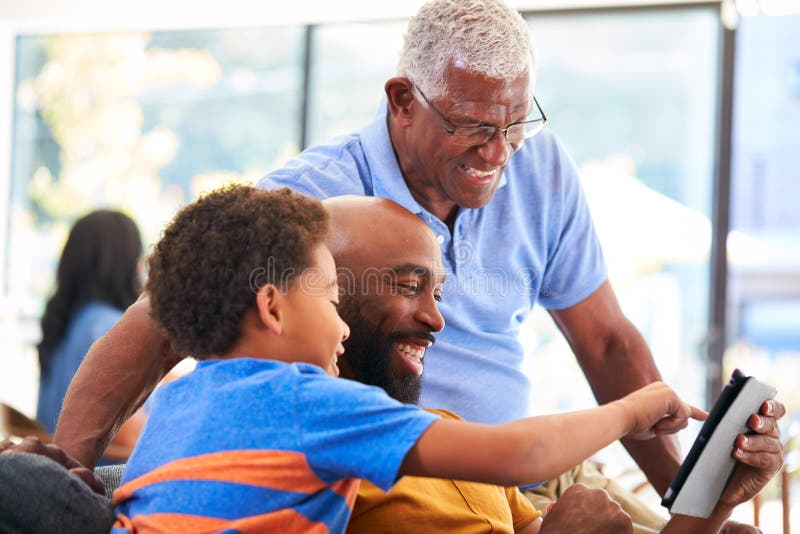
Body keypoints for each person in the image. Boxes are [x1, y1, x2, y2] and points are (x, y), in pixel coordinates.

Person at [50, 1, 771, 530]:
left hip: (525, 475)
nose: (498, 153)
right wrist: (67, 467)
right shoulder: (310, 211)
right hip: (429, 479)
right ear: (402, 101)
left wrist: (694, 485)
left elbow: (608, 345)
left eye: (514, 124)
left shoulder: (539, 169)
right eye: (471, 126)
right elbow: (171, 307)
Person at [0, 193, 784, 534]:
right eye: (334, 294)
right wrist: (631, 408)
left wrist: (711, 500)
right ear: (275, 306)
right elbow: (524, 453)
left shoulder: (178, 410)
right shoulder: (320, 417)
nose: (439, 319)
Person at [37, 209, 145, 459]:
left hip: (57, 473)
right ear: (127, 263)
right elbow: (133, 438)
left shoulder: (63, 324)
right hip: (104, 483)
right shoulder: (110, 327)